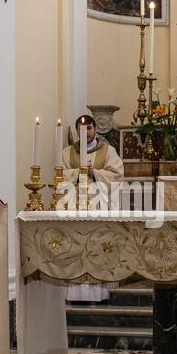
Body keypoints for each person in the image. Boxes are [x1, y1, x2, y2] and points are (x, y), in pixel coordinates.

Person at [62, 115, 124, 302]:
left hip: (99, 205)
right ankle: (76, 293)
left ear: (95, 129)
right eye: (81, 129)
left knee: (97, 247)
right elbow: (61, 174)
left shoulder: (108, 150)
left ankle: (99, 293)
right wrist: (78, 171)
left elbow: (118, 175)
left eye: (88, 128)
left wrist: (93, 172)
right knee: (77, 247)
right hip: (75, 207)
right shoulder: (68, 152)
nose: (85, 132)